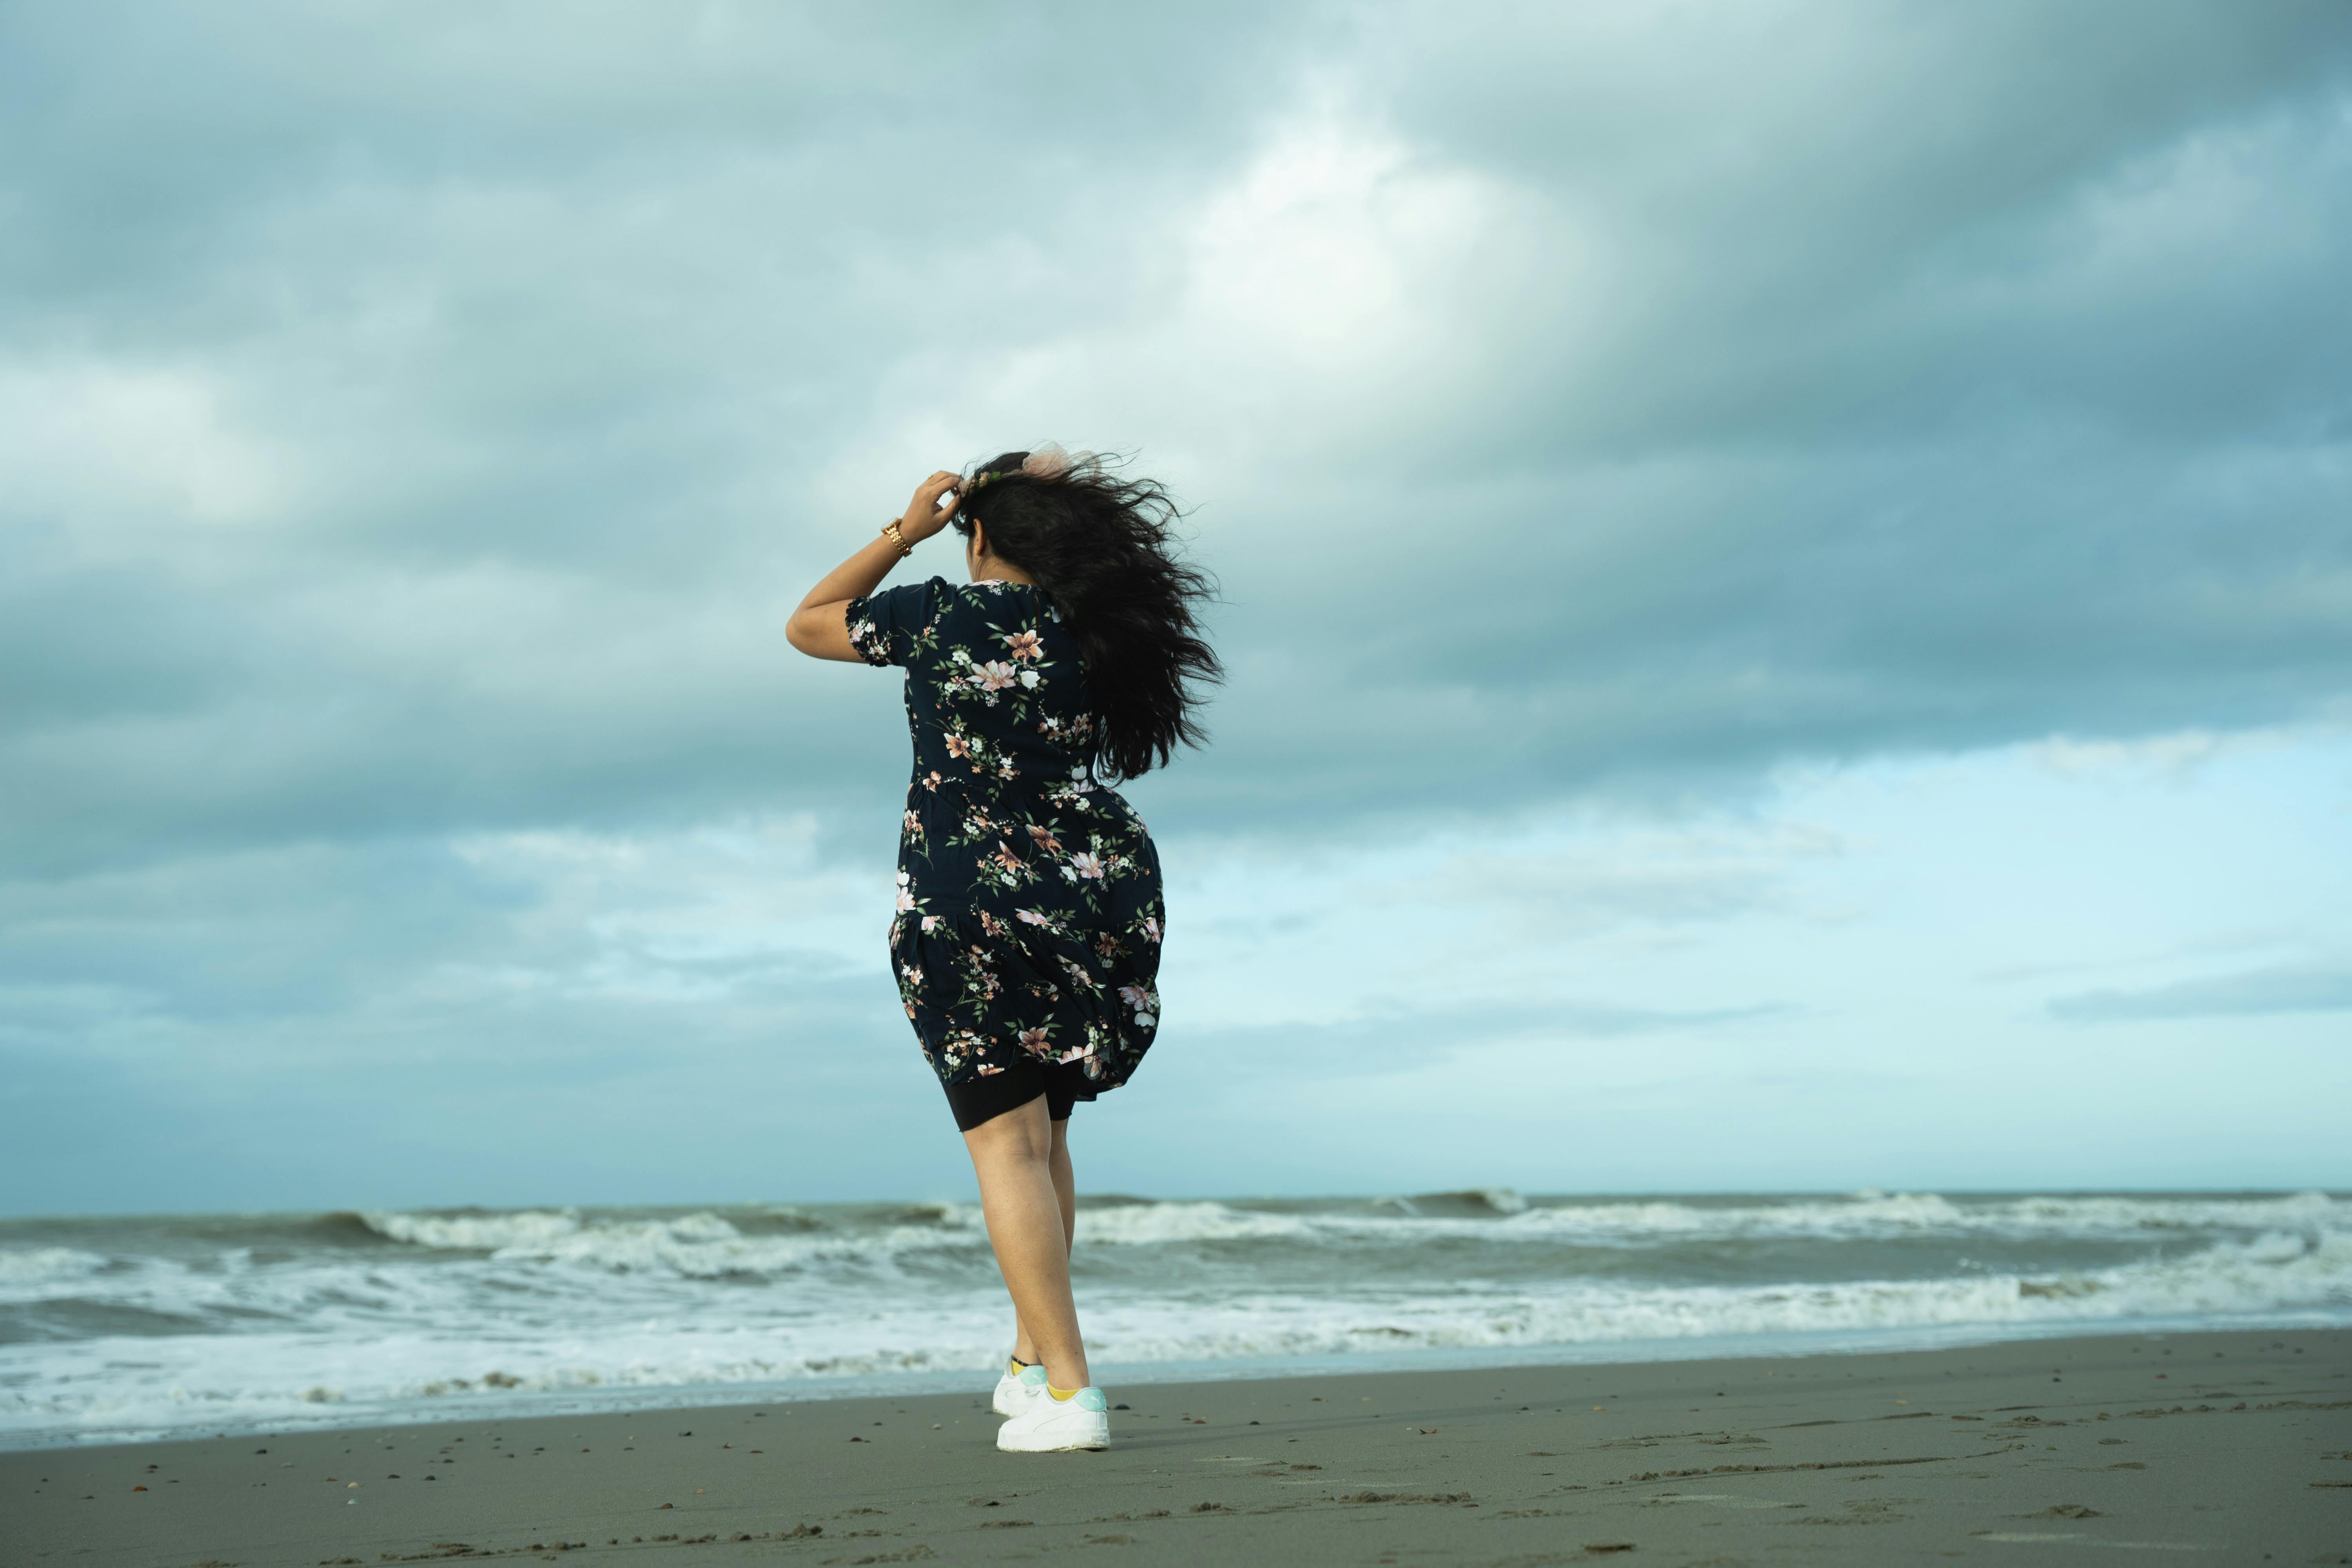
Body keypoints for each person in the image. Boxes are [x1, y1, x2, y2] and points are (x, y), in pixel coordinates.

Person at [785, 446, 1219, 1452]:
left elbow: (809, 622)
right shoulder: (1096, 628)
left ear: (977, 534)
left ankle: (1072, 1391)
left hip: (968, 898)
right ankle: (1033, 1364)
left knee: (1006, 1143)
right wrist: (1026, 482)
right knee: (1046, 1136)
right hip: (1087, 893)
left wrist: (906, 531)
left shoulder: (943, 615)